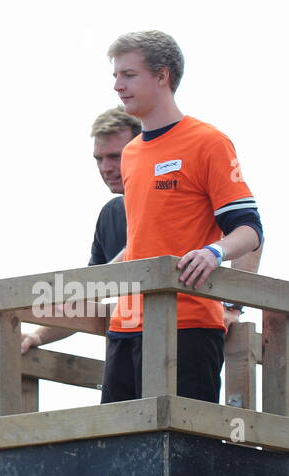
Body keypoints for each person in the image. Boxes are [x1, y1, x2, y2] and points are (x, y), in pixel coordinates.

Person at [97, 30, 263, 403]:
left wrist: (214, 252)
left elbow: (249, 229)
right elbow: (143, 238)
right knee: (116, 449)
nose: (118, 86)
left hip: (188, 323)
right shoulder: (132, 153)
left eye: (128, 75)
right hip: (125, 324)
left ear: (162, 76)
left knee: (182, 452)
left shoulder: (207, 141)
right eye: (115, 76)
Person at [21, 108, 139, 354]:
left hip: (178, 338)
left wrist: (231, 307)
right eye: (99, 158)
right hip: (124, 345)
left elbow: (238, 227)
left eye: (115, 156)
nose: (106, 167)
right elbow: (88, 297)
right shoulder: (112, 215)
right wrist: (37, 337)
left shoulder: (173, 200)